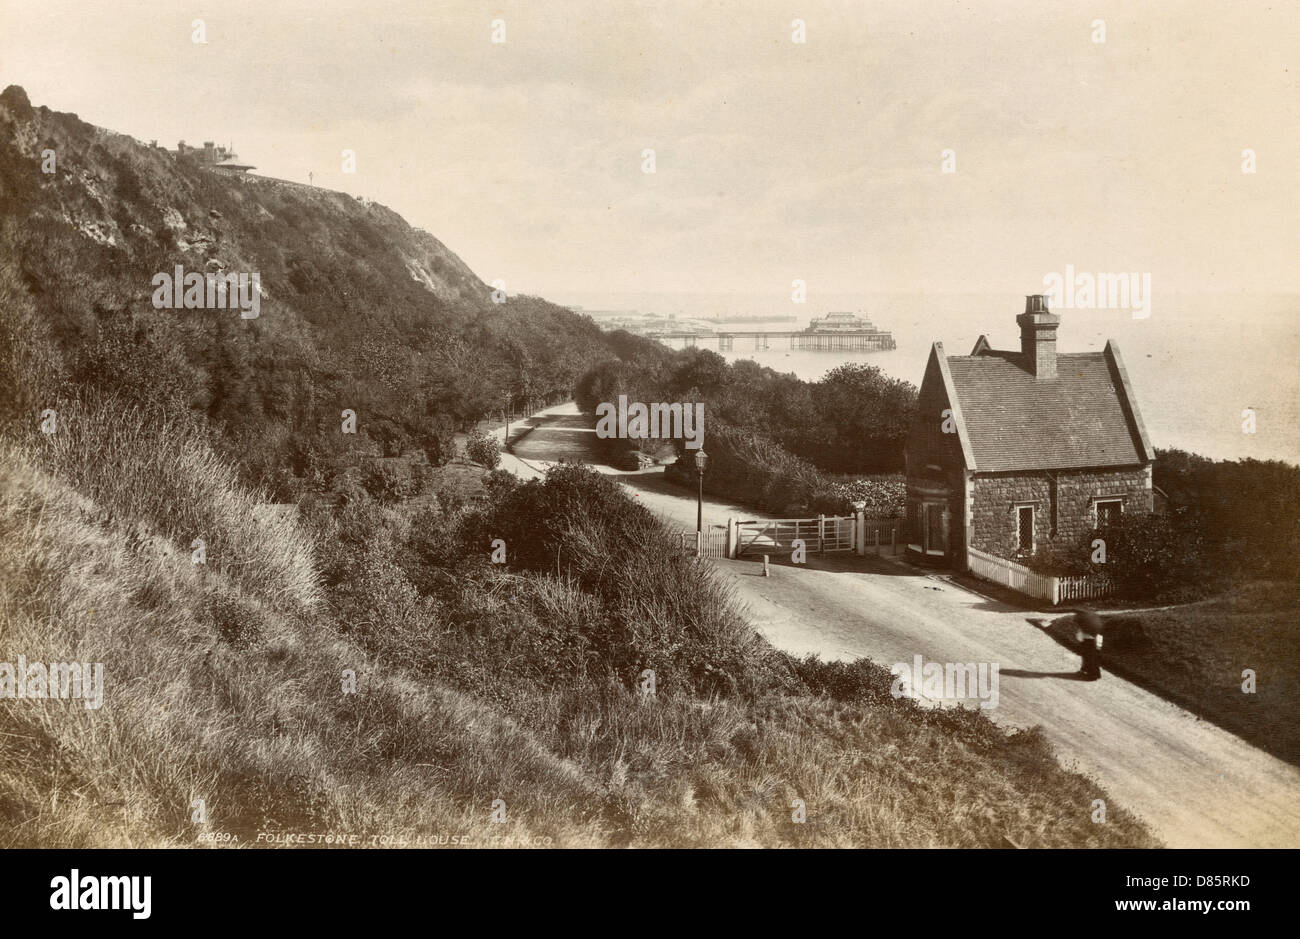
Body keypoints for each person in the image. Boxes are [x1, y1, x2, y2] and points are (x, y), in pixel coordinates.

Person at [1075, 609, 1103, 680]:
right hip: (1094, 643)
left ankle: (1091, 674)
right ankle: (1096, 673)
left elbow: (1079, 636)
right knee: (1094, 658)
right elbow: (1098, 637)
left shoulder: (1083, 628)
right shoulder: (1095, 628)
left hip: (1087, 643)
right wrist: (1098, 646)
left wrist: (1080, 640)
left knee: (1087, 658)